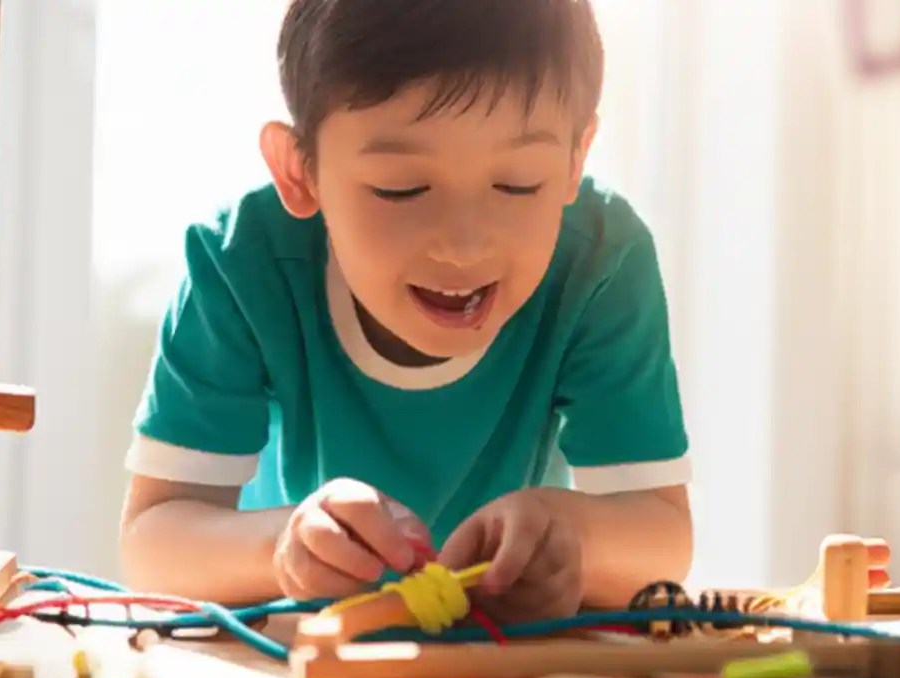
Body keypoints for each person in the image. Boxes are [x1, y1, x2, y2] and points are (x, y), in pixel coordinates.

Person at [117, 0, 694, 624]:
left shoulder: (601, 261)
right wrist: (284, 550)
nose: (462, 245)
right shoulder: (241, 264)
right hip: (304, 668)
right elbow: (153, 540)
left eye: (519, 183)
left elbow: (662, 538)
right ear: (299, 171)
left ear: (577, 158)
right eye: (401, 189)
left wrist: (572, 538)